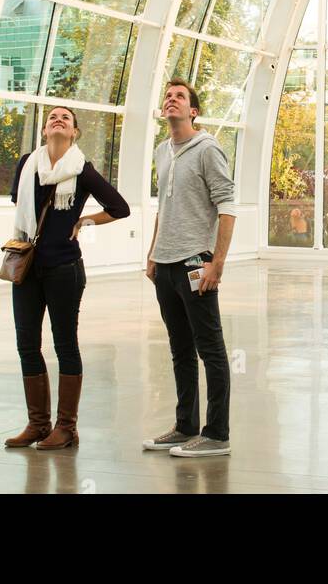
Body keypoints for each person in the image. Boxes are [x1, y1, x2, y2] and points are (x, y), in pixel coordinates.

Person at [5, 105, 130, 450]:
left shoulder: (82, 170)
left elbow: (120, 207)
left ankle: (66, 427)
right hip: (28, 268)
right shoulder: (27, 165)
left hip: (64, 269)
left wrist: (84, 221)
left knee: (65, 345)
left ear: (74, 133)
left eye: (65, 119)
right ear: (45, 131)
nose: (57, 121)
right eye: (52, 118)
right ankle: (38, 424)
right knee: (27, 345)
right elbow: (20, 206)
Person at [143, 79, 236, 458]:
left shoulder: (207, 149)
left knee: (209, 348)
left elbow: (227, 205)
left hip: (197, 261)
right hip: (164, 265)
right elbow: (164, 208)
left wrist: (217, 262)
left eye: (180, 96)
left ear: (193, 110)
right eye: (167, 95)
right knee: (179, 348)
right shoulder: (162, 151)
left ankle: (217, 434)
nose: (171, 99)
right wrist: (151, 255)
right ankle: (185, 426)